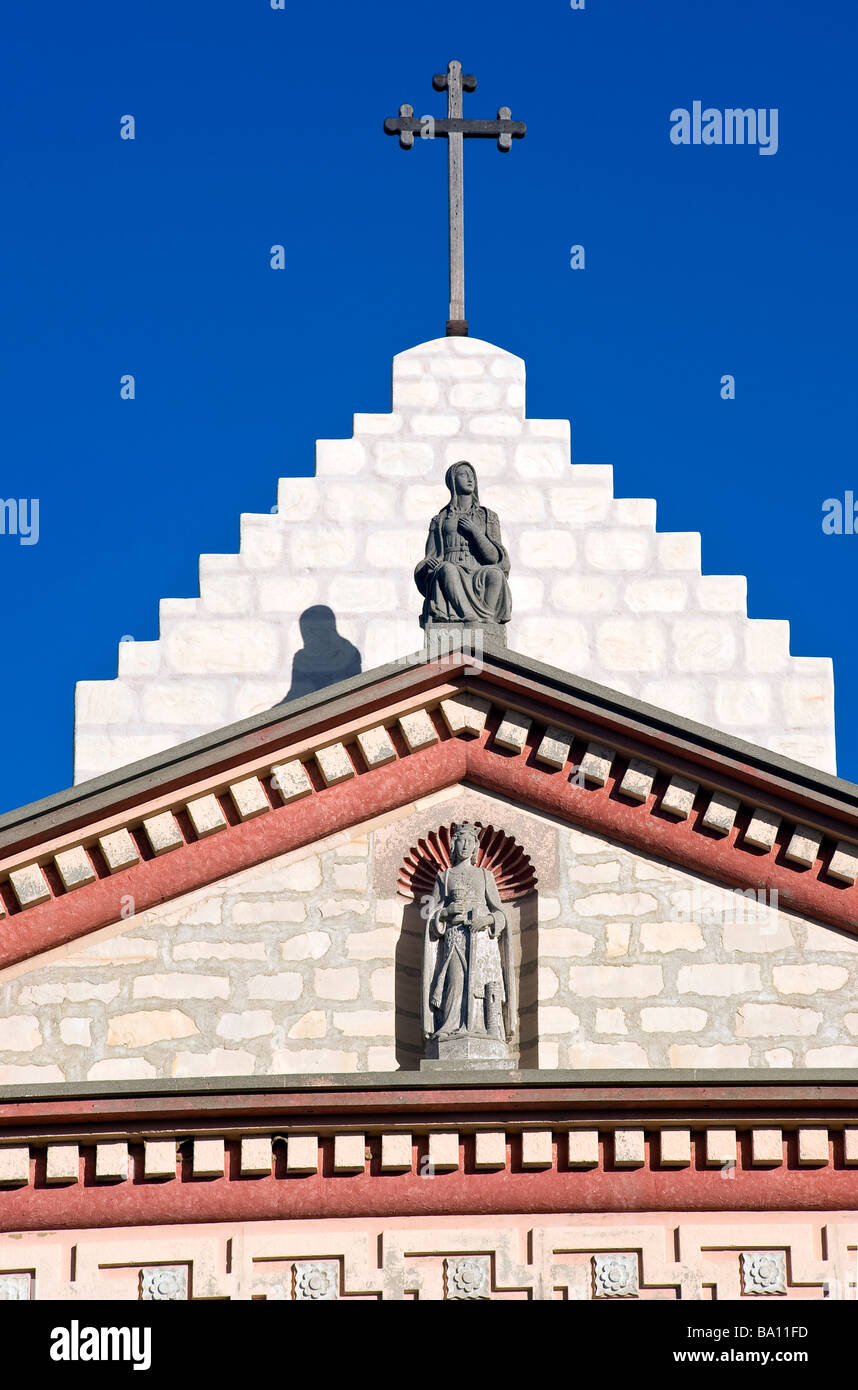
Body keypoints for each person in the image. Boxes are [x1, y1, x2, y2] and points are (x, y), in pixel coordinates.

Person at [423, 821, 508, 1042]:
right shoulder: (445, 877)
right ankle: (449, 1026)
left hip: (481, 940)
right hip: (454, 937)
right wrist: (446, 912)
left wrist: (487, 920)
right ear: (454, 844)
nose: (465, 845)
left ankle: (480, 1028)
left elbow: (500, 914)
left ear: (475, 847)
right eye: (461, 840)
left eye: (470, 841)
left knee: (479, 983)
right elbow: (432, 915)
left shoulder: (484, 875)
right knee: (455, 979)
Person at [414, 462, 511, 630]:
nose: (470, 479)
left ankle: (487, 619)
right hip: (451, 569)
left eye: (471, 475)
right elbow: (430, 556)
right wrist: (428, 564)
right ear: (452, 481)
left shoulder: (488, 516)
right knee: (447, 569)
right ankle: (467, 615)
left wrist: (475, 532)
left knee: (495, 574)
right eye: (463, 474)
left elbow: (494, 558)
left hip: (477, 570)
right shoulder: (440, 520)